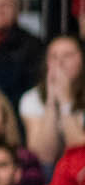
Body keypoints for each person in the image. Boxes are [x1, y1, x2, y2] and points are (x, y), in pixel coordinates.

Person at [21, 34, 85, 167]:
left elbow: (79, 150)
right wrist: (51, 101)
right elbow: (43, 156)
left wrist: (65, 101)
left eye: (68, 55)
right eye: (53, 56)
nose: (60, 62)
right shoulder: (32, 97)